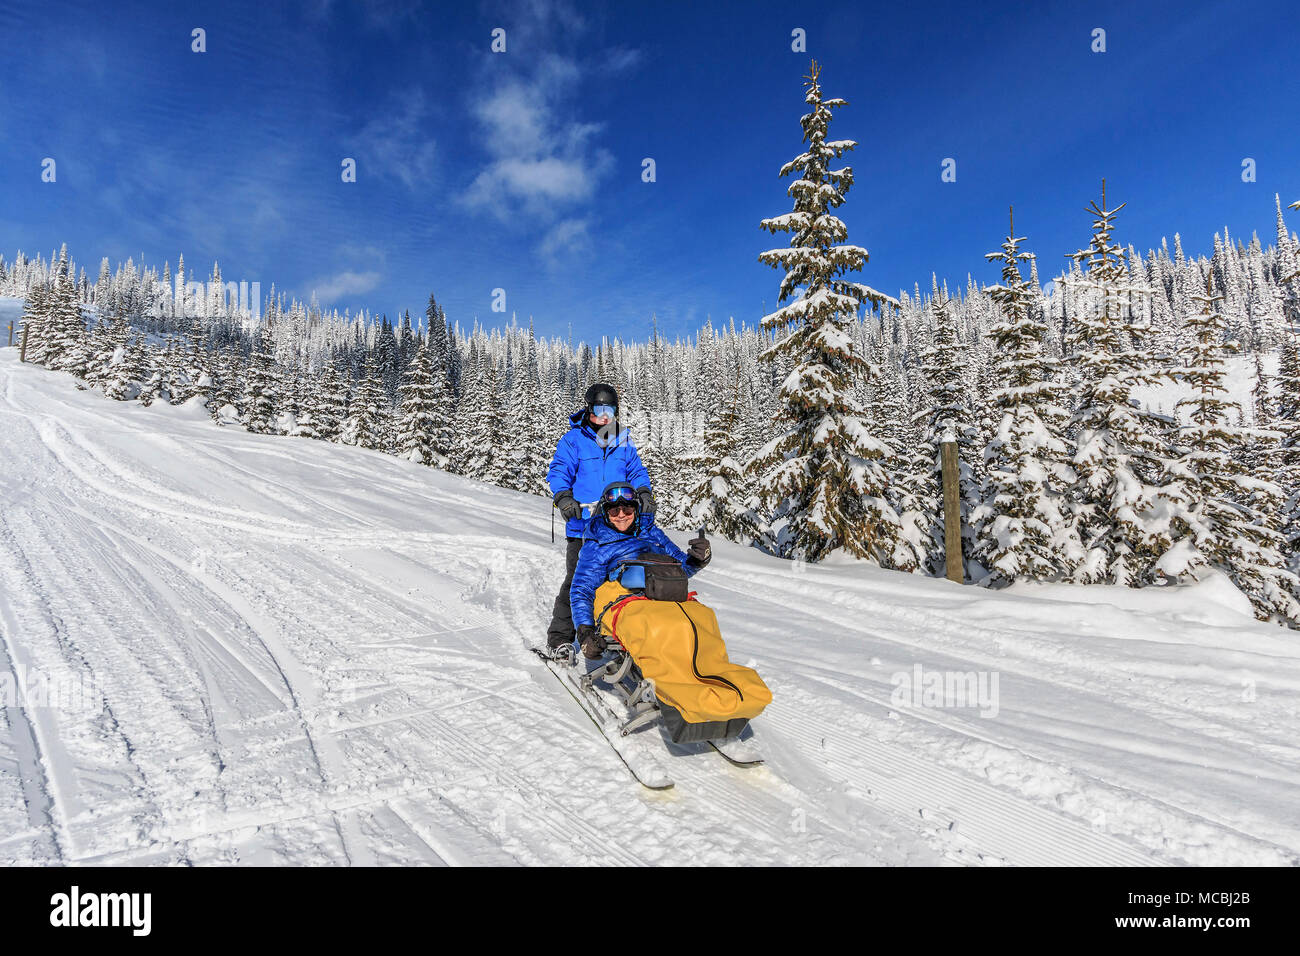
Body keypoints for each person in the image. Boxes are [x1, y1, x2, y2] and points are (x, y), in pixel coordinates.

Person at [546, 384, 656, 655]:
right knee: (578, 582)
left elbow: (636, 471)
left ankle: (621, 634)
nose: (605, 417)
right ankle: (560, 639)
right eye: (599, 410)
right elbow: (559, 471)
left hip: (618, 526)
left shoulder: (622, 440)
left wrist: (643, 493)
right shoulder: (574, 440)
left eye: (610, 410)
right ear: (588, 409)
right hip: (584, 526)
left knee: (626, 580)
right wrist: (564, 498)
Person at [569, 482, 711, 660]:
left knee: (703, 619)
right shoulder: (598, 542)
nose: (621, 516)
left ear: (636, 510)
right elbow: (582, 589)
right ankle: (672, 678)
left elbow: (679, 569)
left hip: (663, 595)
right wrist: (585, 631)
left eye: (627, 510)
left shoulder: (652, 533)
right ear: (605, 513)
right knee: (658, 626)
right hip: (625, 600)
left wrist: (698, 559)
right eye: (614, 511)